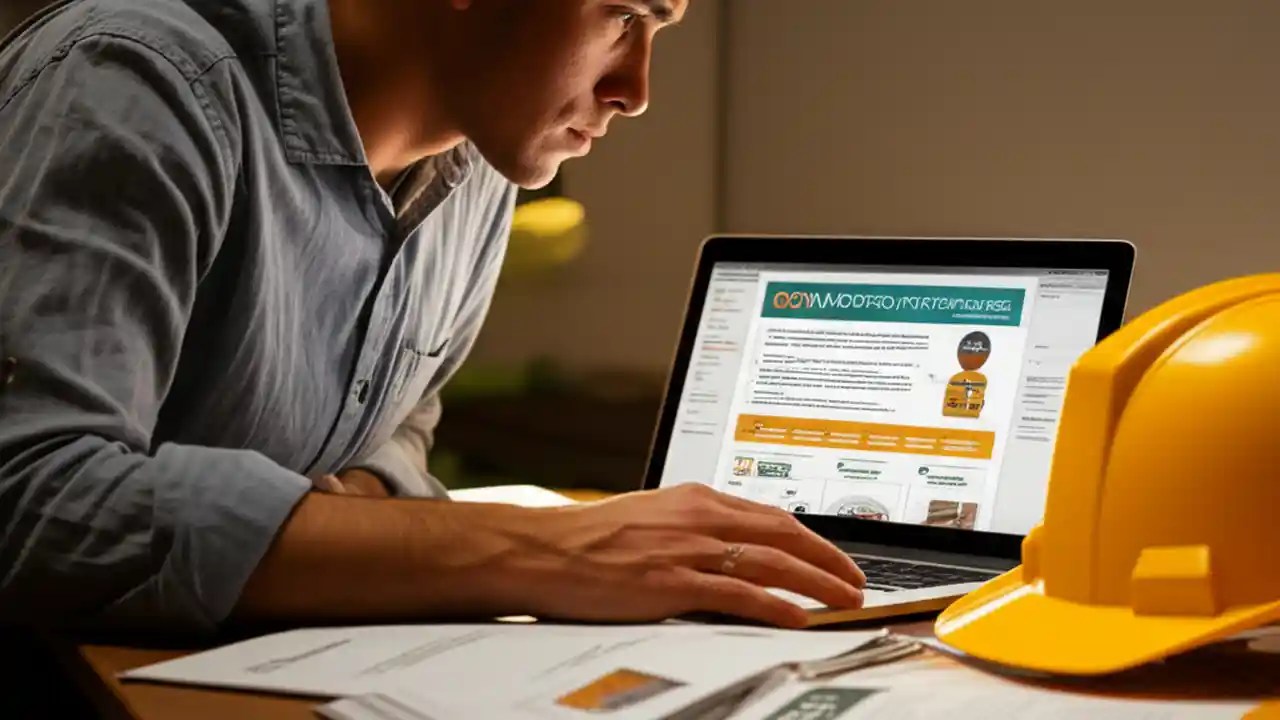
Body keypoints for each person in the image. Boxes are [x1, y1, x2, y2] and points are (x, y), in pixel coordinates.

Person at [0, 0, 865, 636]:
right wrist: (536, 551)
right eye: (621, 17)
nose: (635, 90)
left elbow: (393, 422)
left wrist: (370, 512)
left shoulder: (481, 156)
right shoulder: (135, 82)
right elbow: (32, 501)